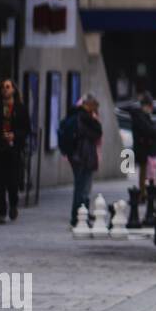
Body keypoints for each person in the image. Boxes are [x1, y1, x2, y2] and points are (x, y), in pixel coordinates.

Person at [0, 78, 32, 225]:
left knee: (12, 182)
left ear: (14, 90)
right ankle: (0, 213)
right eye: (3, 87)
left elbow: (27, 129)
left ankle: (13, 204)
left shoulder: (21, 109)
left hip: (14, 151)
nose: (5, 89)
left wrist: (15, 135)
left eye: (8, 87)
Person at [64, 95, 102, 226]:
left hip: (80, 157)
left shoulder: (81, 116)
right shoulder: (84, 117)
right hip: (82, 157)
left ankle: (80, 216)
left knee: (82, 188)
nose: (95, 111)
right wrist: (95, 120)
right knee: (82, 189)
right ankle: (78, 217)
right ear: (89, 105)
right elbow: (97, 132)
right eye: (94, 107)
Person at [130, 93, 156, 211]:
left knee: (146, 172)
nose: (151, 109)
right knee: (145, 173)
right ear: (146, 106)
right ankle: (144, 194)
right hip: (143, 149)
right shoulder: (140, 116)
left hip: (145, 149)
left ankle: (145, 194)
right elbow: (149, 130)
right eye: (150, 106)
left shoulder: (142, 115)